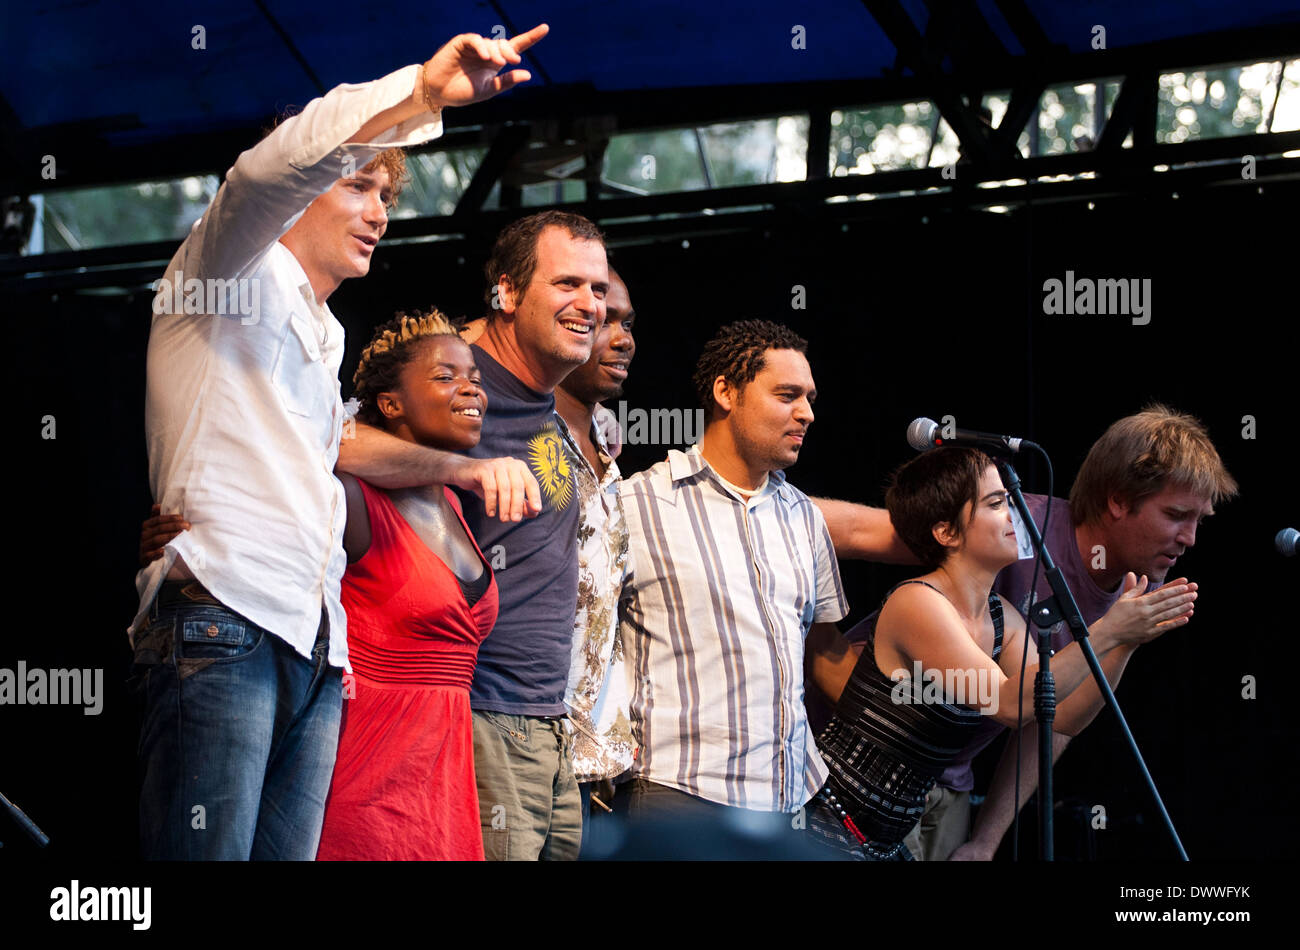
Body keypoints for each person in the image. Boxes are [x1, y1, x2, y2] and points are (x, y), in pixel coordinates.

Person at [128, 25, 549, 860]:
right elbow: (269, 169)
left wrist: (465, 470)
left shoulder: (321, 336)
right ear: (305, 194)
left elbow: (338, 456)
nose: (378, 213)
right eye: (359, 187)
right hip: (226, 617)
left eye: (387, 197)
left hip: (314, 643)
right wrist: (420, 96)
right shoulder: (223, 273)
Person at [810, 405, 1234, 860]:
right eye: (1175, 515)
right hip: (843, 785)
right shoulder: (998, 535)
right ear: (1118, 500)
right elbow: (866, 528)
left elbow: (1058, 717)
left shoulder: (1009, 613)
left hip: (939, 784)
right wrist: (752, 510)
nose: (1189, 537)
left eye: (1199, 521)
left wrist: (1123, 639)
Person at [340, 210, 609, 860]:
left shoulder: (547, 408)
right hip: (474, 719)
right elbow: (332, 437)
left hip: (549, 725)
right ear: (508, 294)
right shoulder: (450, 398)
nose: (591, 305)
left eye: (599, 290)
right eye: (568, 283)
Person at [614, 319, 849, 843]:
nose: (807, 413)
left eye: (809, 397)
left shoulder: (802, 516)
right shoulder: (637, 504)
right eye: (787, 395)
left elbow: (821, 648)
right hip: (682, 796)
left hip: (788, 800)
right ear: (725, 392)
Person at [314, 312, 498, 860]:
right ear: (391, 404)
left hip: (446, 786)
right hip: (369, 777)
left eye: (475, 378)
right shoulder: (350, 497)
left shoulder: (459, 507)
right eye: (446, 377)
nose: (470, 389)